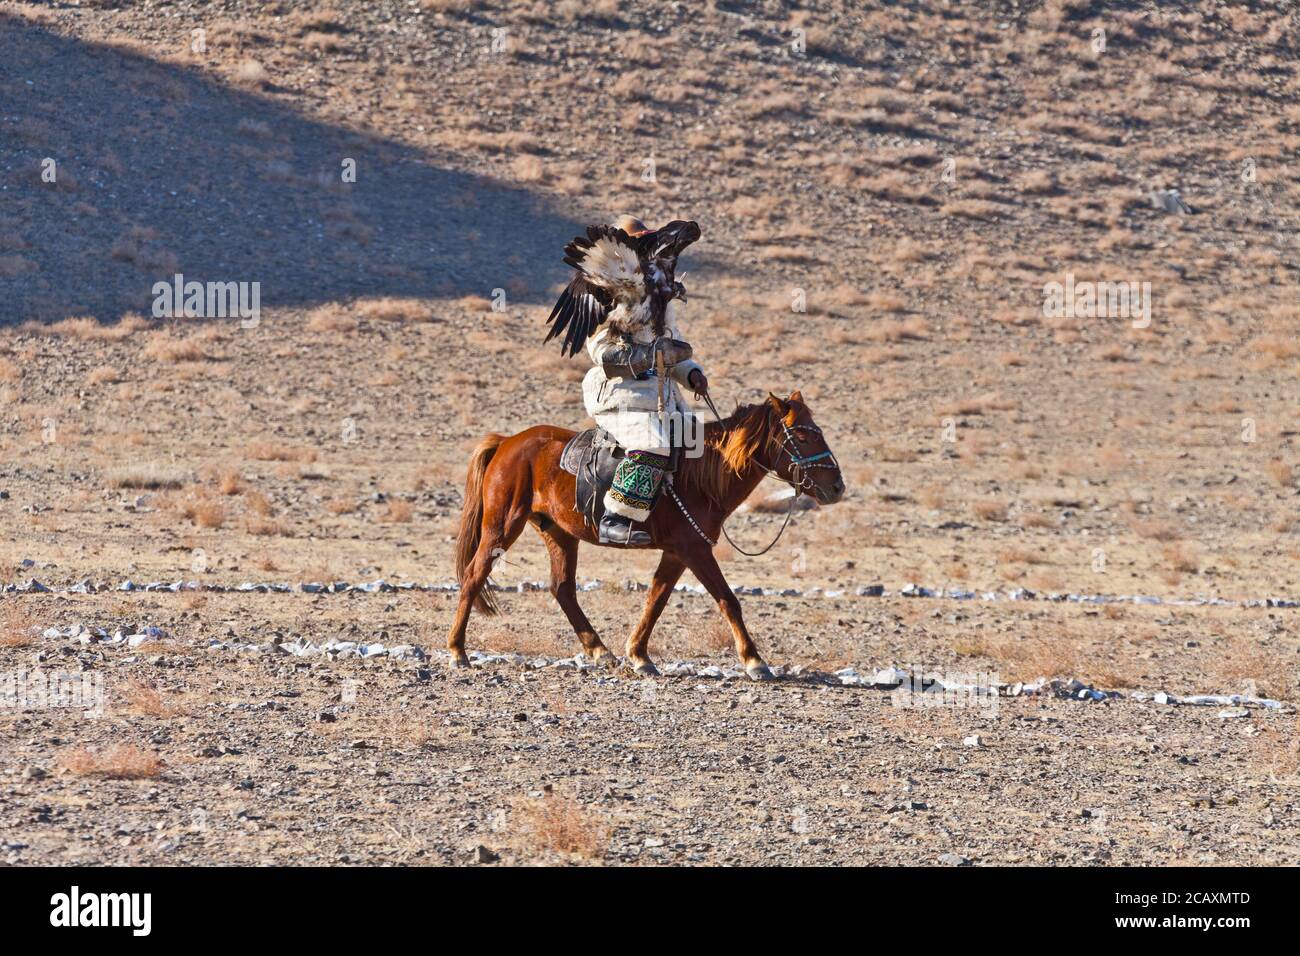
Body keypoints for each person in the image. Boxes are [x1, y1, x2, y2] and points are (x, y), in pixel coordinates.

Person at [581, 217, 709, 546]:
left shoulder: (656, 301)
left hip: (662, 397)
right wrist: (652, 355)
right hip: (621, 397)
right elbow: (603, 353)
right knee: (652, 441)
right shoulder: (604, 298)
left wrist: (690, 372)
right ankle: (615, 519)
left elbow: (672, 343)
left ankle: (681, 517)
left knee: (700, 444)